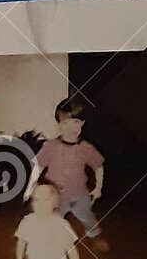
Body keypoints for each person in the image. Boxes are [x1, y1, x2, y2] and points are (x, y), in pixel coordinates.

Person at [26, 97, 107, 249]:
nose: (71, 128)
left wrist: (98, 188)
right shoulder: (50, 146)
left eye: (76, 122)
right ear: (59, 124)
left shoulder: (86, 148)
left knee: (88, 218)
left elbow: (98, 166)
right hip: (55, 196)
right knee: (50, 221)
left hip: (80, 194)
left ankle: (95, 235)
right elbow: (38, 167)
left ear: (82, 123)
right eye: (65, 123)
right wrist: (31, 188)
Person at [14, 180, 90, 259]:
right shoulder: (27, 222)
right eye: (36, 200)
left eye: (46, 200)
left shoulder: (62, 225)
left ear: (56, 202)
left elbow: (71, 249)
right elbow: (21, 242)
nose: (40, 204)